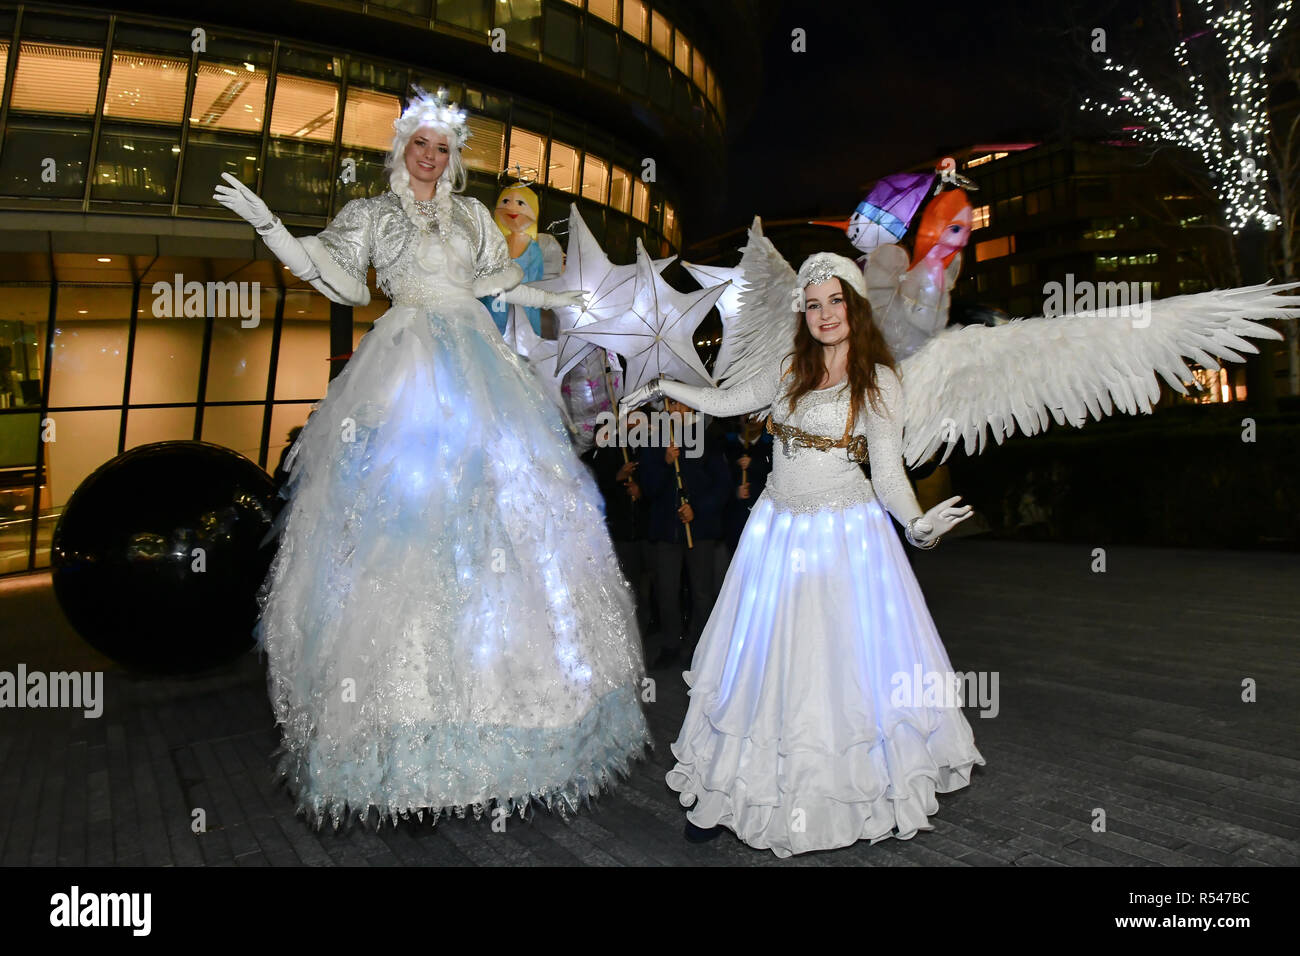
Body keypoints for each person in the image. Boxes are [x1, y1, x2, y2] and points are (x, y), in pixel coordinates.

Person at [213, 88, 650, 829]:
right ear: (401, 148)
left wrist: (563, 300)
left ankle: (518, 715)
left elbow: (495, 283)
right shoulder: (374, 216)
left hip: (478, 358)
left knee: (502, 516)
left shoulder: (475, 217)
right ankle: (400, 732)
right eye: (421, 142)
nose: (432, 156)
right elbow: (339, 277)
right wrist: (268, 225)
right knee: (399, 526)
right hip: (405, 359)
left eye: (444, 148)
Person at [623, 252, 979, 857]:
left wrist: (918, 526)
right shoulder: (789, 367)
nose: (825, 313)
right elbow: (727, 400)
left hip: (845, 537)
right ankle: (727, 793)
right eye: (813, 304)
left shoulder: (880, 380)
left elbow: (889, 474)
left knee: (834, 671)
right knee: (759, 668)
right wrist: (660, 384)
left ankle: (845, 796)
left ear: (855, 305)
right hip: (775, 534)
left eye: (835, 300)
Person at [637, 396, 731, 669]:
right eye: (671, 405)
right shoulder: (654, 439)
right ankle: (670, 644)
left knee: (701, 591)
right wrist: (666, 461)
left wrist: (697, 510)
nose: (676, 410)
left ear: (692, 408)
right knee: (667, 590)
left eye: (681, 405)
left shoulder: (707, 438)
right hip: (667, 531)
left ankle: (698, 645)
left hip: (699, 531)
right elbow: (650, 488)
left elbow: (721, 485)